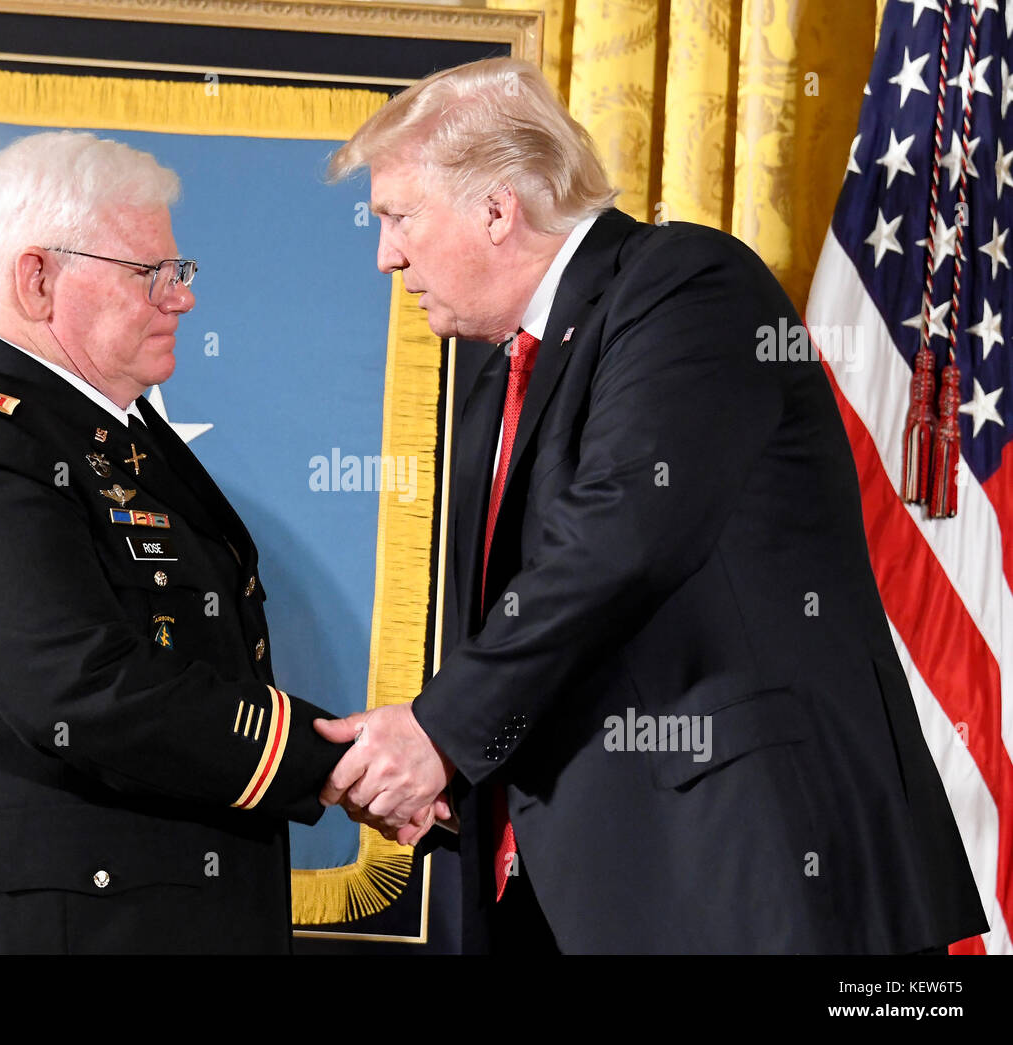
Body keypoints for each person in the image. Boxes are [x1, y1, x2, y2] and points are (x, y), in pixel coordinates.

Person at [314, 57, 989, 954]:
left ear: (496, 207)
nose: (385, 253)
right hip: (574, 884)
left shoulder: (686, 286)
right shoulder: (496, 376)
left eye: (397, 216)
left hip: (744, 874)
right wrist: (452, 775)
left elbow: (622, 536)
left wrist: (440, 730)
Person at [0, 131, 346, 955]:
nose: (182, 299)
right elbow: (82, 689)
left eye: (179, 273)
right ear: (39, 280)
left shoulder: (109, 437)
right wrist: (323, 757)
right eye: (152, 275)